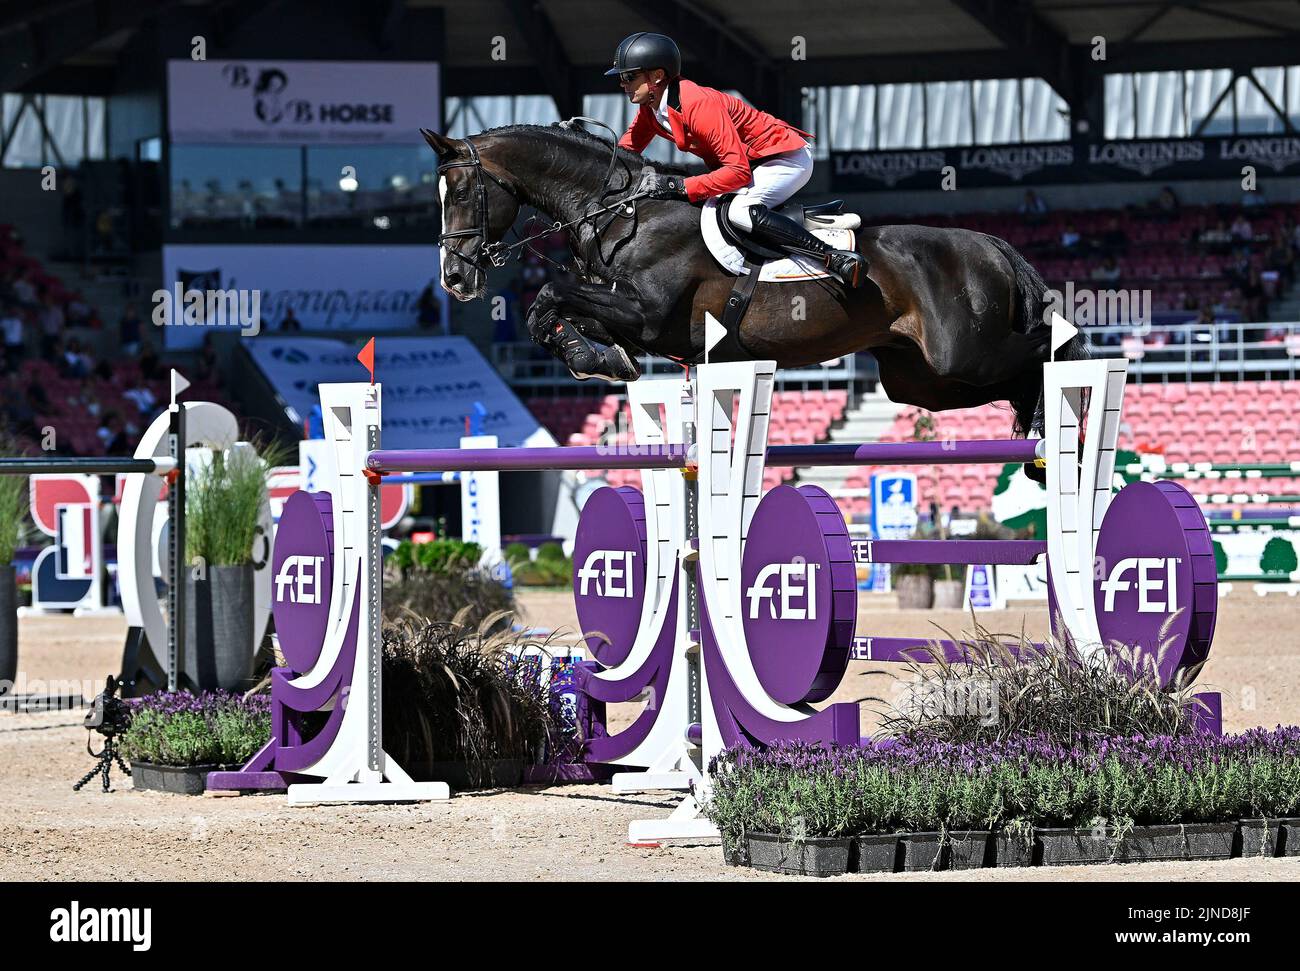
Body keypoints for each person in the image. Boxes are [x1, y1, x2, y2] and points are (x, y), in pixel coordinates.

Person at [609, 32, 865, 288]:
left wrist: (678, 186)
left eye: (629, 76)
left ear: (657, 76)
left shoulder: (697, 104)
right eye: (622, 78)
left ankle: (834, 257)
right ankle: (804, 221)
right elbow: (623, 154)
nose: (623, 84)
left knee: (738, 212)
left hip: (784, 158)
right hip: (754, 165)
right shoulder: (651, 109)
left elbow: (737, 172)